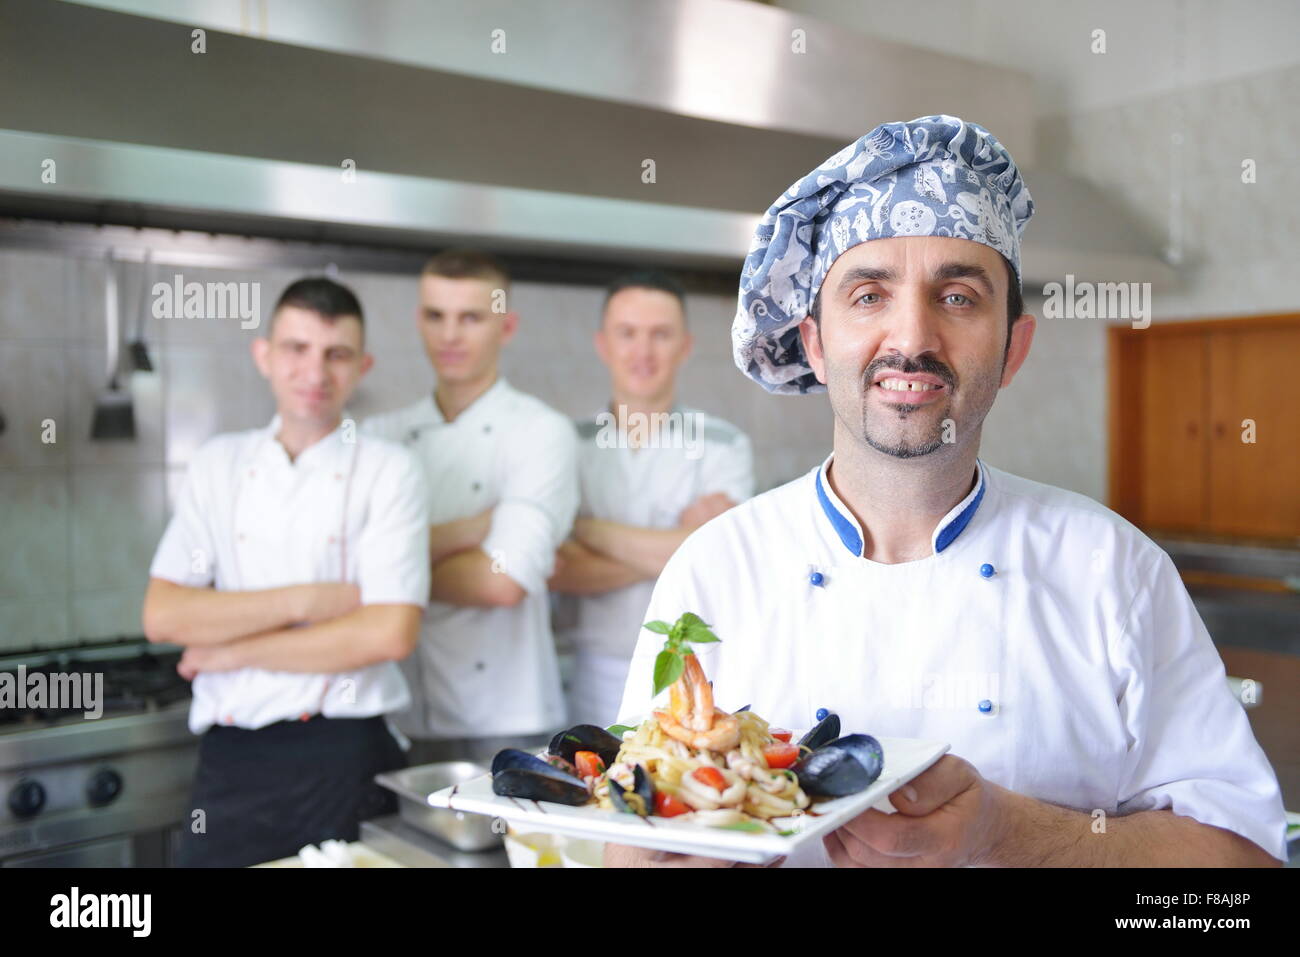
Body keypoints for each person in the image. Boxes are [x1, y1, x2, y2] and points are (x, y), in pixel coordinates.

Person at [606, 115, 1288, 867]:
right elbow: (624, 838)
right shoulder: (716, 569)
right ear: (816, 343)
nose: (912, 338)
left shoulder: (1114, 572)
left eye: (958, 296)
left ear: (1013, 347)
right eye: (868, 294)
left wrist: (1006, 829)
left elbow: (1239, 881)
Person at [142, 277, 429, 868]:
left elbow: (387, 633)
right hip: (232, 761)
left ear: (362, 365)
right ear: (264, 355)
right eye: (296, 349)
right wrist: (311, 600)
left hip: (346, 756)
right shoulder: (219, 464)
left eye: (336, 354)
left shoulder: (390, 470)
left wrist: (232, 650)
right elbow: (164, 614)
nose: (314, 372)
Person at [363, 249, 578, 765]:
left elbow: (502, 581)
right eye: (436, 316)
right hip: (408, 716)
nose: (450, 336)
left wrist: (387, 577)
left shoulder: (541, 432)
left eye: (471, 318)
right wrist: (472, 529)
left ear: (506, 326)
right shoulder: (381, 435)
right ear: (419, 321)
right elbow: (346, 567)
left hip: (509, 717)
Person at [550, 270, 754, 727]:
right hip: (591, 670)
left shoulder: (723, 444)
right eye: (628, 334)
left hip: (696, 671)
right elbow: (558, 569)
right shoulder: (563, 443)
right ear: (603, 344)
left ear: (685, 346)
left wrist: (586, 530)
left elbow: (721, 564)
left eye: (660, 335)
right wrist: (685, 542)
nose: (643, 352)